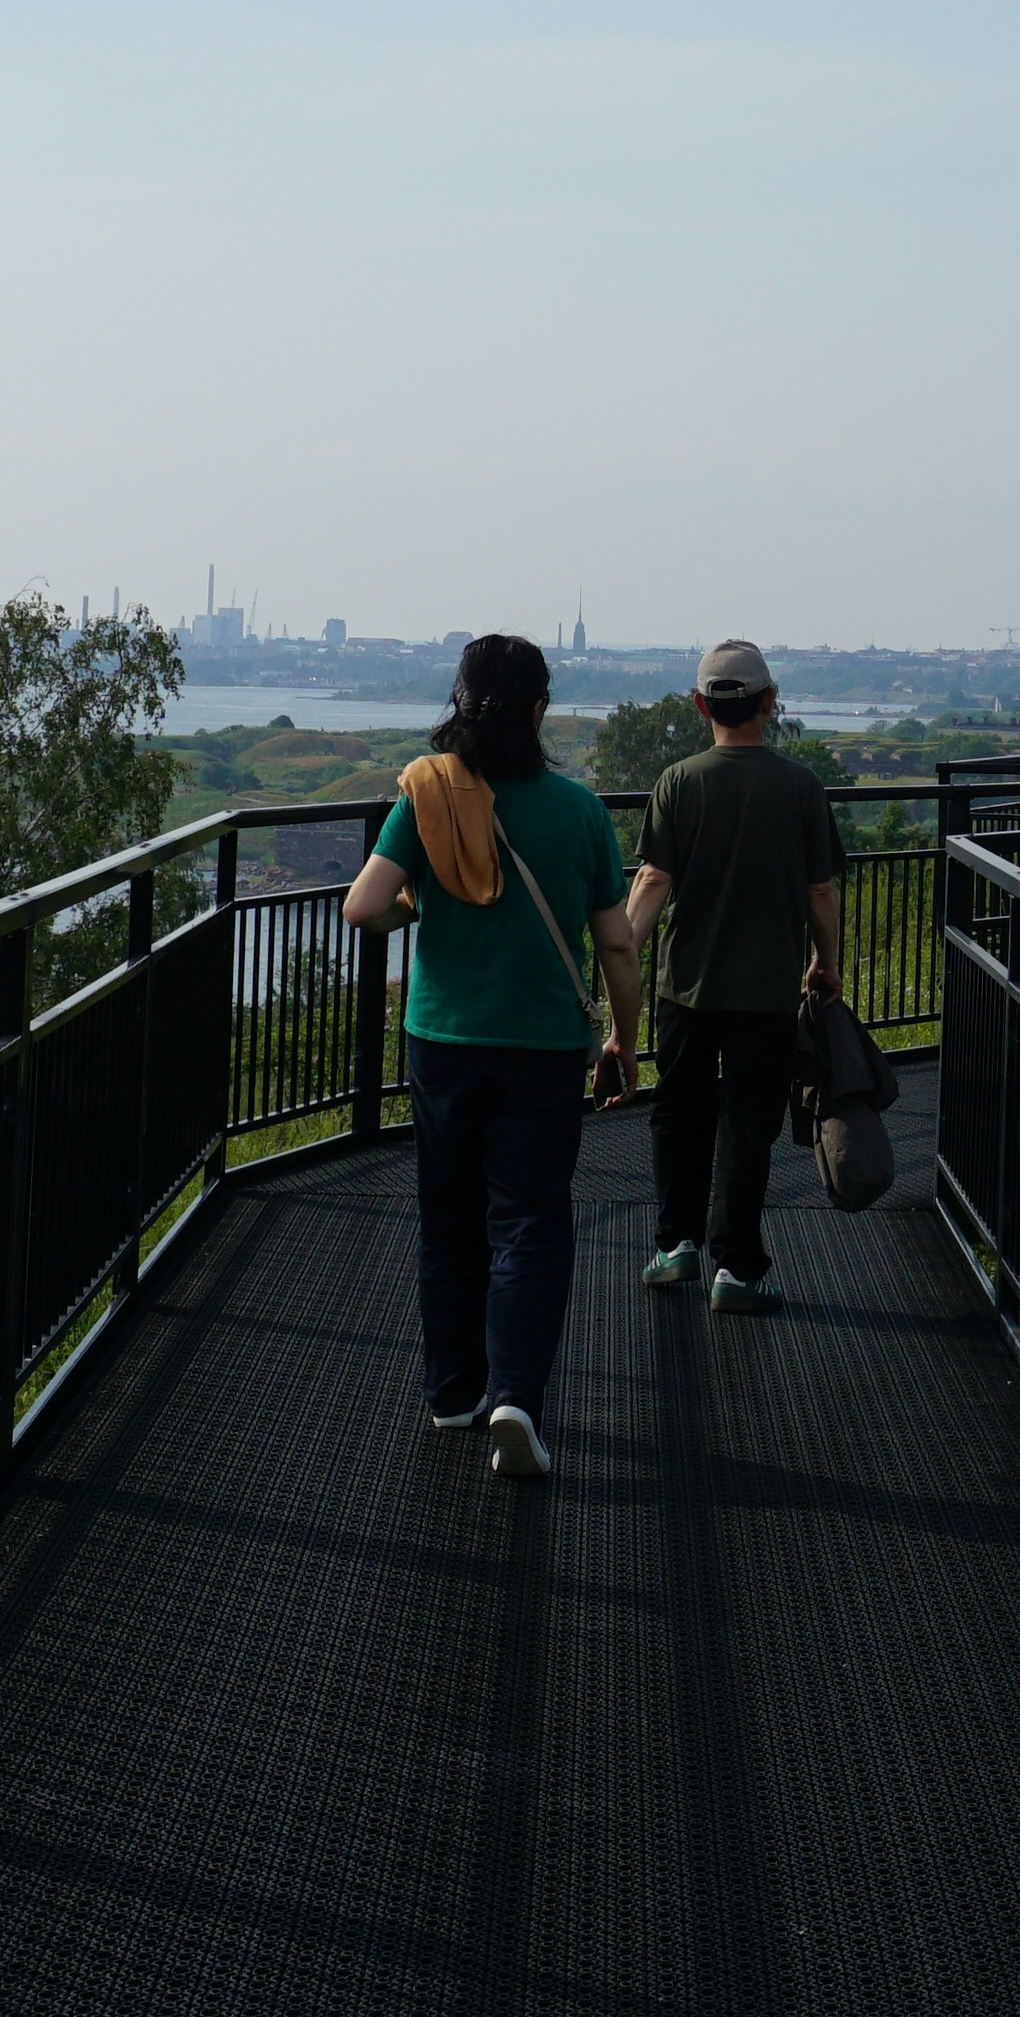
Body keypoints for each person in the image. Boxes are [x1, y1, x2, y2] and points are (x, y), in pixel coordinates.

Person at [342, 633, 639, 1481]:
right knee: (532, 1221)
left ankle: (450, 1394)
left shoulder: (429, 794)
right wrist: (623, 1037)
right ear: (540, 710)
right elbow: (616, 944)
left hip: (442, 1041)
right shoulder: (578, 810)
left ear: (459, 704)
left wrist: (423, 912)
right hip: (542, 1048)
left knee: (449, 1220)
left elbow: (362, 909)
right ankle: (517, 1397)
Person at [622, 639, 846, 1310]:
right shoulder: (800, 786)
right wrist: (825, 962)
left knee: (678, 1114)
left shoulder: (678, 782)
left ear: (700, 705)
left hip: (685, 985)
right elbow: (821, 891)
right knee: (750, 1124)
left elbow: (655, 879)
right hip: (768, 990)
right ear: (769, 704)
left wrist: (620, 957)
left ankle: (675, 1245)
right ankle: (738, 1268)